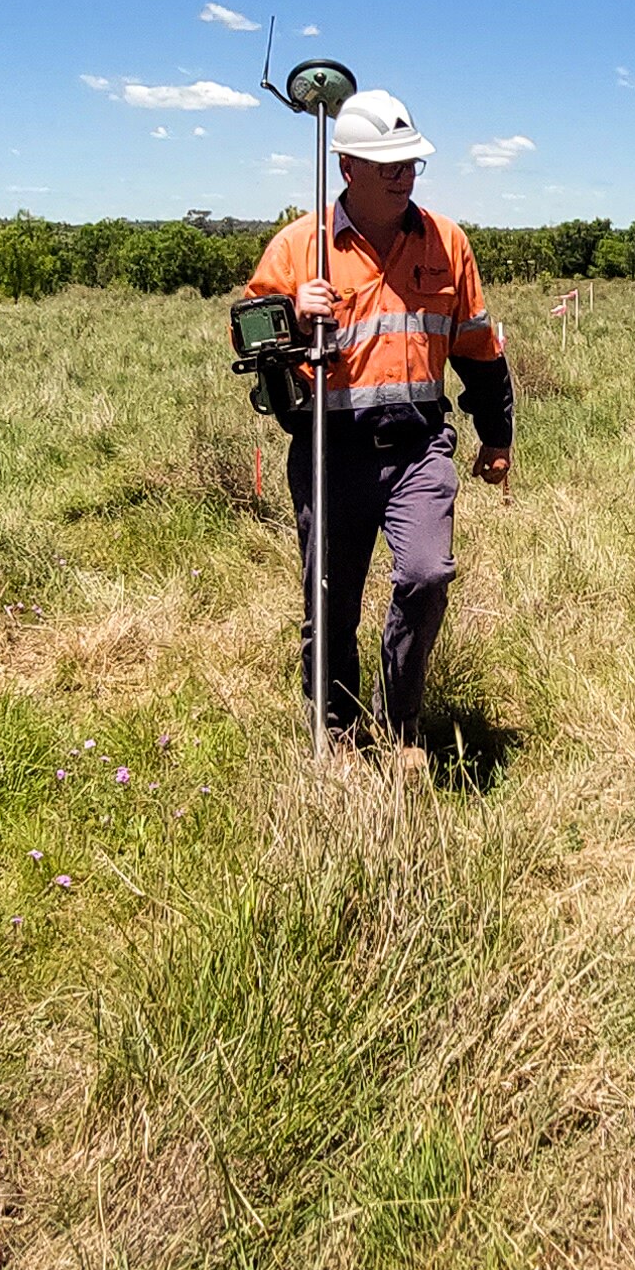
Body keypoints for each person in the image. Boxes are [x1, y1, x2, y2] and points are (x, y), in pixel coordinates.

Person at [245, 88, 515, 778]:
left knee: (426, 576)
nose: (404, 173)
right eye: (387, 163)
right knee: (328, 601)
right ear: (347, 168)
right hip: (330, 451)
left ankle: (401, 726)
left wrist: (498, 434)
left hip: (420, 446)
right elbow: (247, 332)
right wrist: (293, 317)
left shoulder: (446, 243)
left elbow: (479, 347)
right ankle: (334, 729)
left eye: (410, 162)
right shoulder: (300, 246)